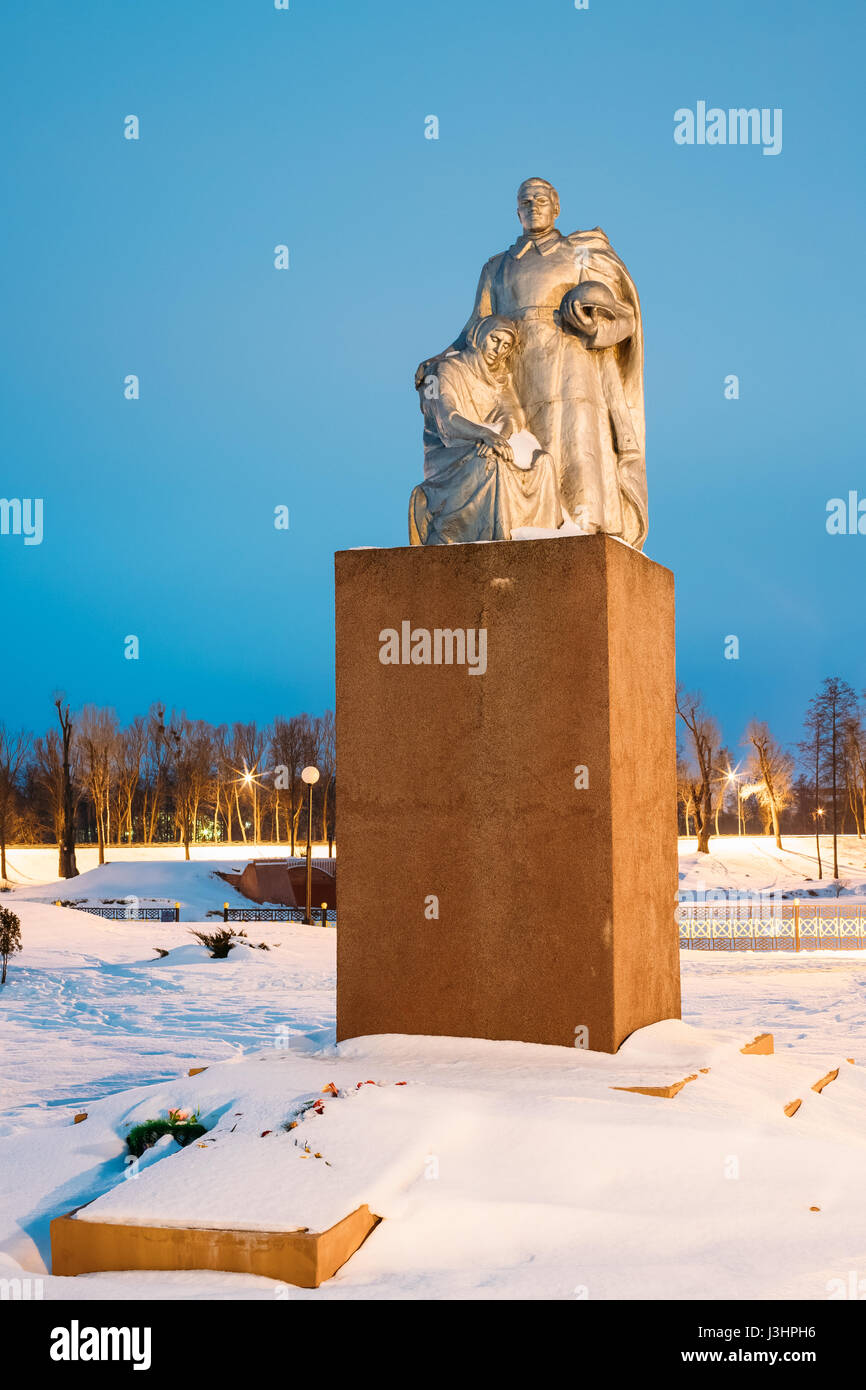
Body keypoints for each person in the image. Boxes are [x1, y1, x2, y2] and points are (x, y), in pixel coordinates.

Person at [419, 178, 647, 548]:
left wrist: (592, 326)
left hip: (570, 363)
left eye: (542, 200)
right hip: (513, 367)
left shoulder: (579, 255)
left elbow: (624, 319)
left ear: (556, 208)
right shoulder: (496, 267)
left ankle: (582, 529)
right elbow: (475, 328)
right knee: (525, 446)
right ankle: (529, 521)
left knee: (575, 442)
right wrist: (437, 360)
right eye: (526, 201)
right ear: (517, 212)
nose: (534, 206)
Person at [409, 316, 563, 545]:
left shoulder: (500, 378)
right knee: (492, 463)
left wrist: (499, 437)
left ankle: (545, 543)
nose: (499, 349)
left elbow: (512, 415)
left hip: (486, 442)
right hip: (449, 454)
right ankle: (493, 541)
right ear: (479, 336)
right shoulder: (444, 370)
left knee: (544, 463)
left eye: (506, 345)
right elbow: (447, 422)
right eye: (494, 339)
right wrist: (485, 435)